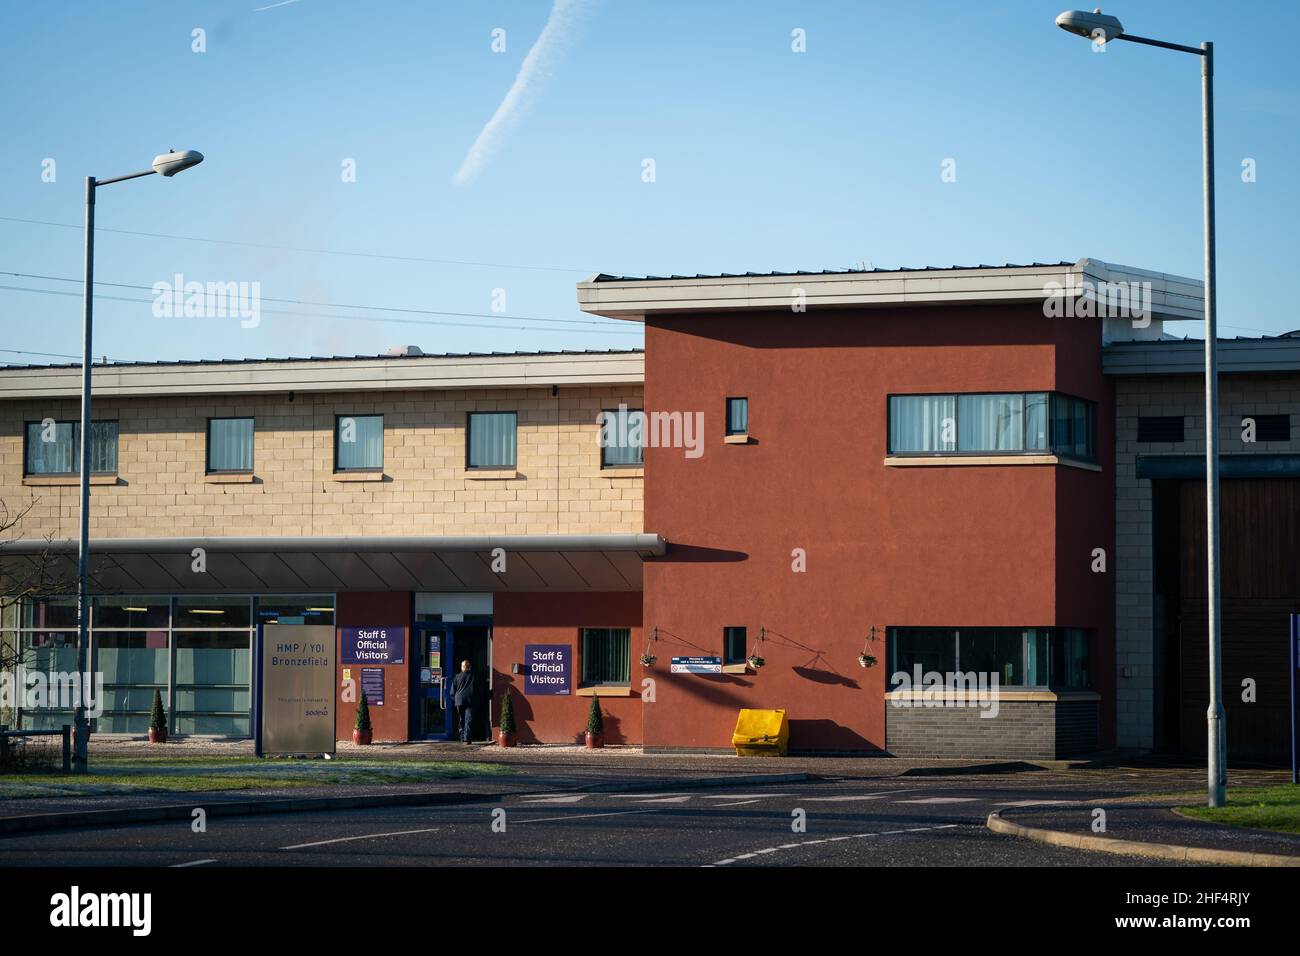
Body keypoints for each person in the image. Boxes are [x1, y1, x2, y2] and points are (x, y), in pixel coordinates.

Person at [450, 659, 476, 744]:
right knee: (468, 719)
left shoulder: (457, 676)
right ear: (469, 667)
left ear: (462, 667)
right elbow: (478, 689)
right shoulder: (473, 676)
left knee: (461, 719)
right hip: (470, 701)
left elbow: (452, 692)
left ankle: (462, 737)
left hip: (459, 701)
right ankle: (466, 739)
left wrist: (455, 700)